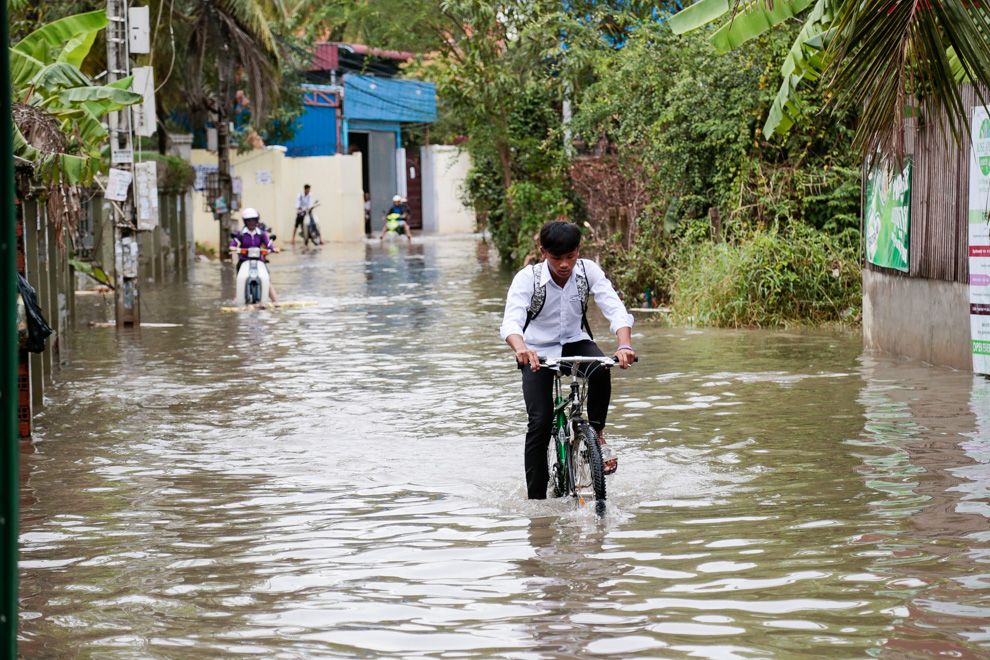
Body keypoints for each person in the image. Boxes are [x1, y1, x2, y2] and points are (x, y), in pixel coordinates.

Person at [499, 220, 635, 499]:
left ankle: (596, 434)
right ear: (543, 252)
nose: (564, 264)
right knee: (539, 421)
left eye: (570, 257)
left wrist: (624, 345)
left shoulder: (587, 271)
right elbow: (511, 320)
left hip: (575, 341)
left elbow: (615, 308)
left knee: (600, 369)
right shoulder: (528, 278)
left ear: (578, 252)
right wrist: (521, 347)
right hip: (537, 350)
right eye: (556, 257)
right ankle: (536, 504)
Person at [230, 208, 278, 303]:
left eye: (253, 220)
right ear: (245, 221)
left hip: (259, 261)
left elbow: (268, 244)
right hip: (244, 261)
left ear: (257, 220)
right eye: (249, 220)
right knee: (240, 278)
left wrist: (274, 248)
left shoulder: (261, 234)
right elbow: (233, 244)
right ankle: (236, 300)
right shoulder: (241, 234)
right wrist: (233, 248)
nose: (251, 222)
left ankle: (275, 301)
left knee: (266, 279)